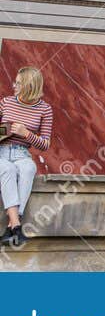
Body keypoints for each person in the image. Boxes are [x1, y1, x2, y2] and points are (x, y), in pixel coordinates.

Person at [0, 67, 52, 247]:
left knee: (28, 168)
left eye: (19, 83)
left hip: (23, 153)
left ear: (30, 86)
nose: (14, 86)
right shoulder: (6, 102)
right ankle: (16, 226)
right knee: (7, 169)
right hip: (2, 152)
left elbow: (45, 144)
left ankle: (11, 228)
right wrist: (4, 131)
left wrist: (26, 134)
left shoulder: (45, 109)